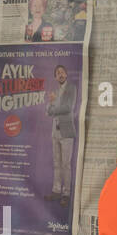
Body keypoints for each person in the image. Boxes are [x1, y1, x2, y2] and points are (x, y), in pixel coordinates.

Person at [46, 65, 77, 207]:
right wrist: (51, 102)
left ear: (66, 74)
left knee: (66, 164)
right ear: (55, 77)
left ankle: (66, 193)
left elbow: (68, 108)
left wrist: (53, 109)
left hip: (66, 132)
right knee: (57, 163)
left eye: (62, 72)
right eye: (58, 73)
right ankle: (56, 190)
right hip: (55, 132)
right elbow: (48, 112)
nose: (60, 74)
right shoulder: (55, 92)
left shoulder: (71, 89)